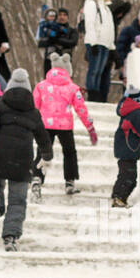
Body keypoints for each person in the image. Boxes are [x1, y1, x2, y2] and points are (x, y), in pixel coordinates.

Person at [0, 69, 53, 251]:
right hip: (22, 161)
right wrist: (47, 157)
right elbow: (43, 138)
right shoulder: (33, 112)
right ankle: (11, 236)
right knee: (17, 200)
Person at [31, 53, 97, 200]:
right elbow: (81, 109)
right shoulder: (73, 88)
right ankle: (70, 181)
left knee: (42, 152)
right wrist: (90, 128)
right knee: (69, 152)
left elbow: (33, 107)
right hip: (65, 126)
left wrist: (31, 125)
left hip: (45, 125)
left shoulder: (41, 86)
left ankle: (36, 178)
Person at [81, 0, 116, 102]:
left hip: (105, 43)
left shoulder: (106, 6)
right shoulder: (91, 4)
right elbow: (90, 24)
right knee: (94, 70)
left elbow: (110, 26)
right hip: (96, 42)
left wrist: (112, 46)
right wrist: (92, 42)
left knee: (100, 70)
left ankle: (97, 94)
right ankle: (92, 94)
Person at [116, 8, 140, 74]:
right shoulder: (128, 30)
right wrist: (121, 64)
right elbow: (120, 48)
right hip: (129, 64)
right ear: (139, 18)